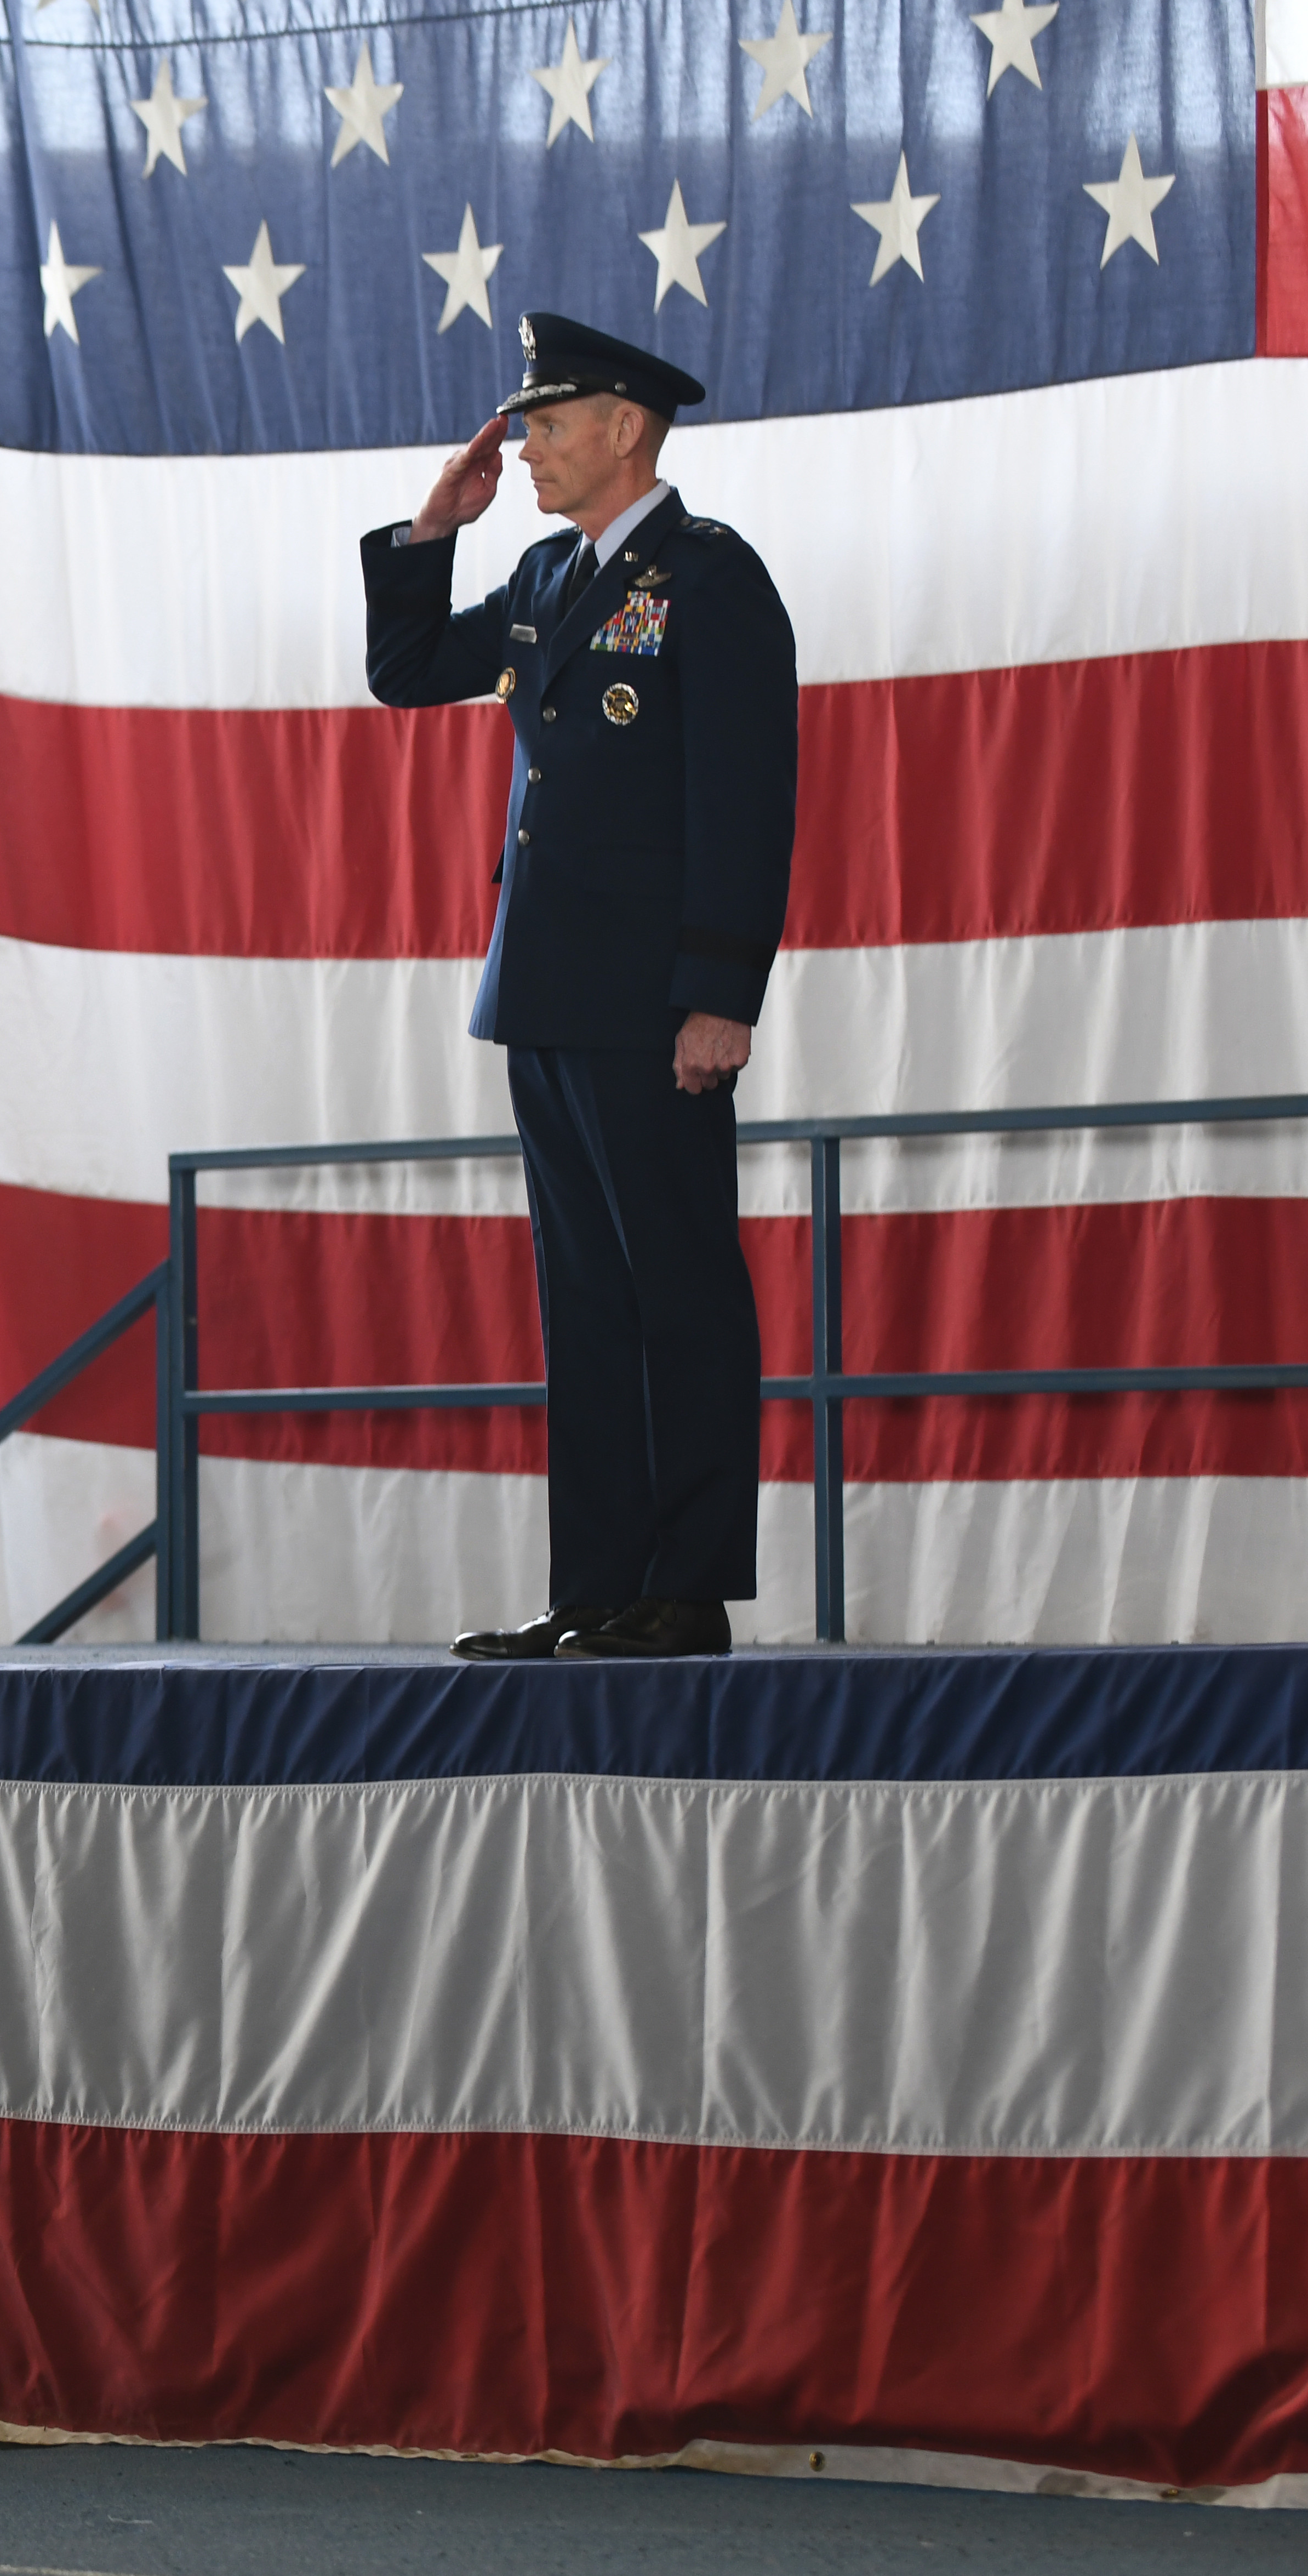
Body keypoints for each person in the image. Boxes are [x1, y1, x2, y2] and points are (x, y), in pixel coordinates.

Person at [361, 313, 797, 1664]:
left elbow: (745, 795)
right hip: (544, 991)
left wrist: (720, 991)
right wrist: (430, 533)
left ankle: (686, 1586)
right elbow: (406, 672)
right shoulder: (549, 574)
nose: (524, 449)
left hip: (655, 1004)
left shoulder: (709, 578)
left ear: (625, 427)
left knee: (676, 1288)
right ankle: (598, 1585)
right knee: (585, 1306)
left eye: (545, 426)